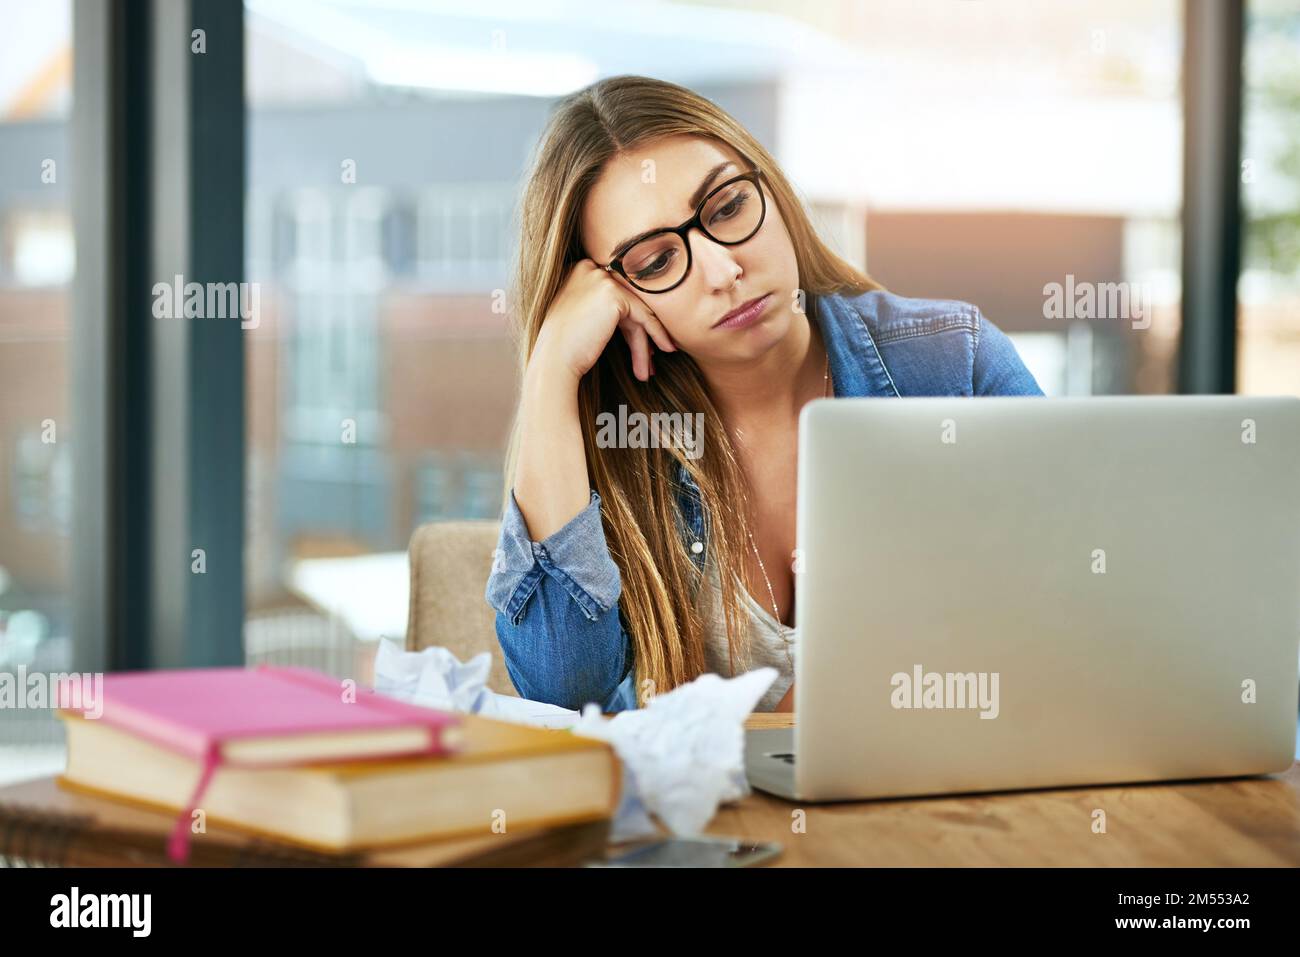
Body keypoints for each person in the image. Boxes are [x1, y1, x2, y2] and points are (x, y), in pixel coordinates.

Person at [485, 75, 1042, 714]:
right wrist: (551, 370)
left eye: (726, 209)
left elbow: (1069, 604)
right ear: (617, 296)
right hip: (724, 818)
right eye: (656, 262)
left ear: (770, 189)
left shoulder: (953, 361)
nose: (725, 271)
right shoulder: (612, 444)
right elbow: (562, 687)